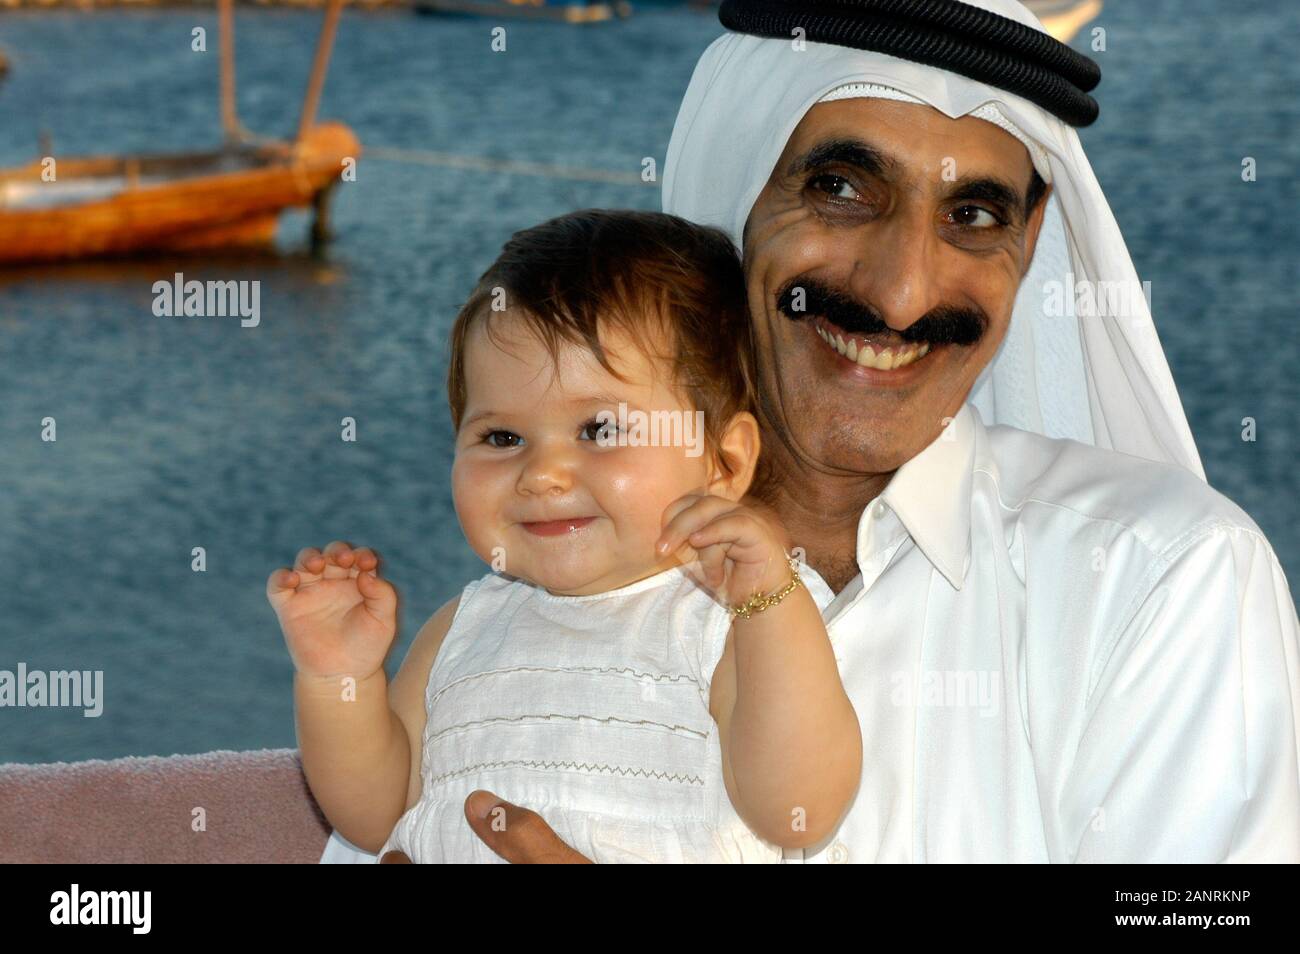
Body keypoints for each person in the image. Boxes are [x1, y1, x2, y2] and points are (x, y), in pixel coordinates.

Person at [325, 0, 1300, 863]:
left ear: (1030, 248)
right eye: (840, 189)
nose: (902, 291)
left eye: (971, 213)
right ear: (730, 194)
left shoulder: (1164, 580)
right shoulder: (526, 604)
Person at [273, 209, 863, 863]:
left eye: (599, 430)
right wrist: (339, 678)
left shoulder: (732, 621)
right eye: (501, 437)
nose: (543, 474)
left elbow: (797, 812)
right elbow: (373, 815)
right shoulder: (461, 629)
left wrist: (768, 602)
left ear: (722, 462)